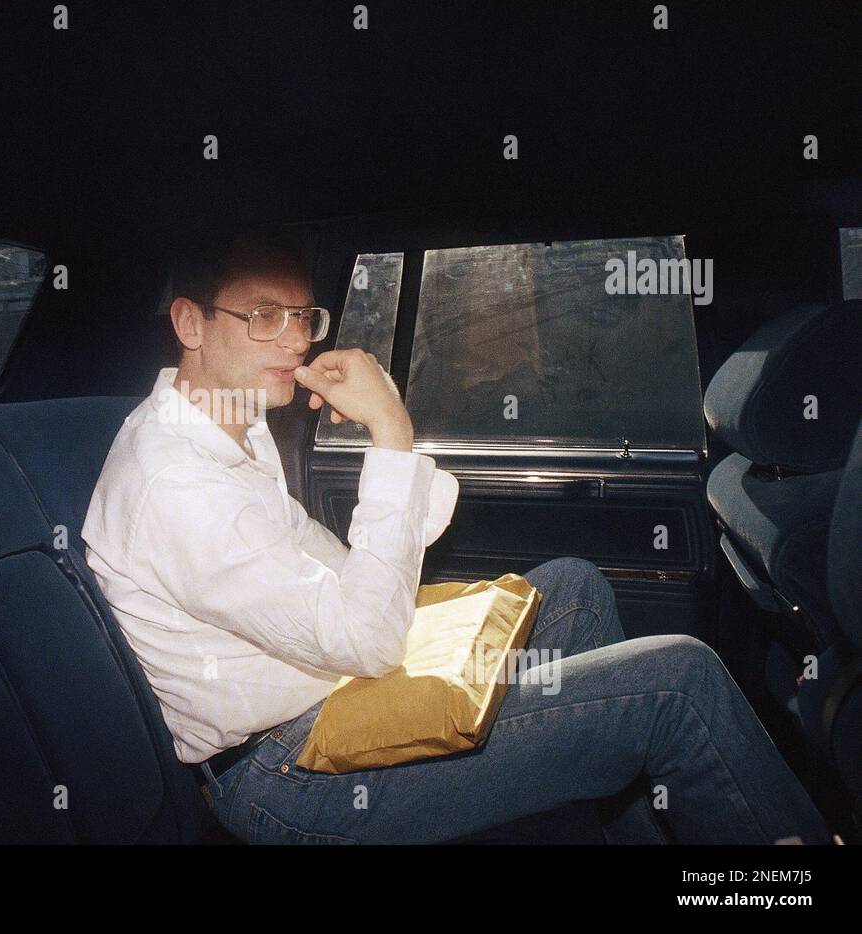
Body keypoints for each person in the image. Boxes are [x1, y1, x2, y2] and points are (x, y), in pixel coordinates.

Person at [81, 231, 832, 844]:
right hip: (293, 773)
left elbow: (334, 569)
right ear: (190, 323)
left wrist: (395, 484)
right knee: (681, 683)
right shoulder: (174, 484)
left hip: (334, 693)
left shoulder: (232, 423)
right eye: (264, 316)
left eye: (304, 317)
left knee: (573, 586)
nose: (294, 340)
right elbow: (367, 638)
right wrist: (391, 433)